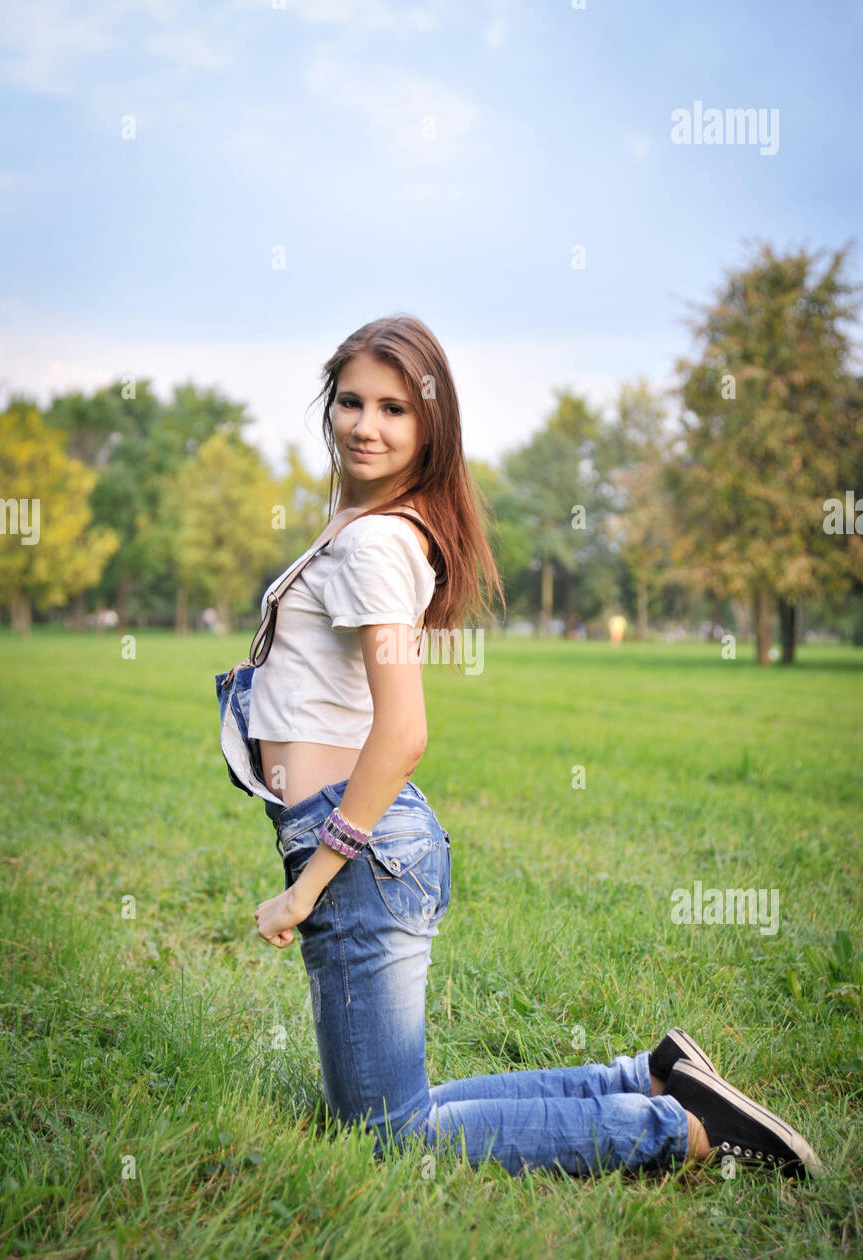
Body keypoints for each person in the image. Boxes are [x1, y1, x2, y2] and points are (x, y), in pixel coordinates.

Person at [249, 313, 821, 1181]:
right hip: (362, 841)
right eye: (352, 401)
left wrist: (310, 885)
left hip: (359, 849)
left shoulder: (372, 541)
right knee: (403, 1112)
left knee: (385, 1137)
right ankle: (650, 1080)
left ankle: (681, 1132)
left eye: (395, 410)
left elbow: (402, 734)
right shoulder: (360, 523)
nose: (365, 425)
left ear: (429, 427)